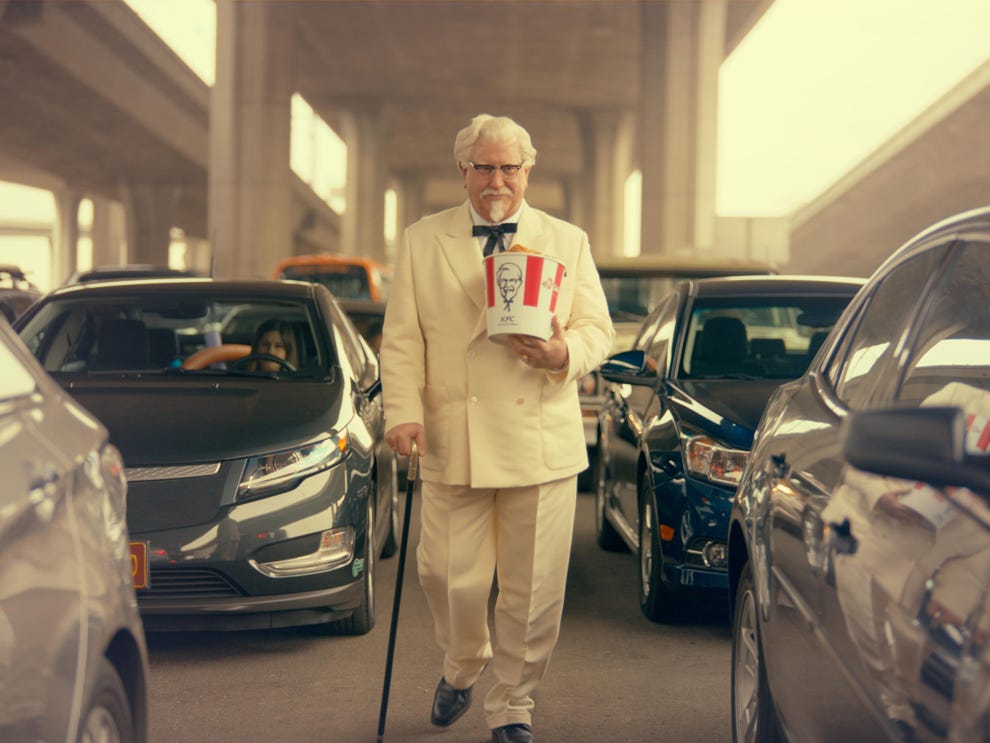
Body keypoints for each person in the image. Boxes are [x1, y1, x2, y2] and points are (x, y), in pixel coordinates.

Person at [381, 113, 614, 743]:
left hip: (539, 437)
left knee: (532, 590)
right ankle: (464, 661)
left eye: (509, 167)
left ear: (527, 171)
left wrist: (564, 354)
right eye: (484, 167)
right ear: (463, 171)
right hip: (451, 436)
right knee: (444, 574)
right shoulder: (421, 241)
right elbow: (401, 340)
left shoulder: (566, 240)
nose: (497, 180)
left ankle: (512, 703)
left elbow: (598, 329)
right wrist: (402, 411)